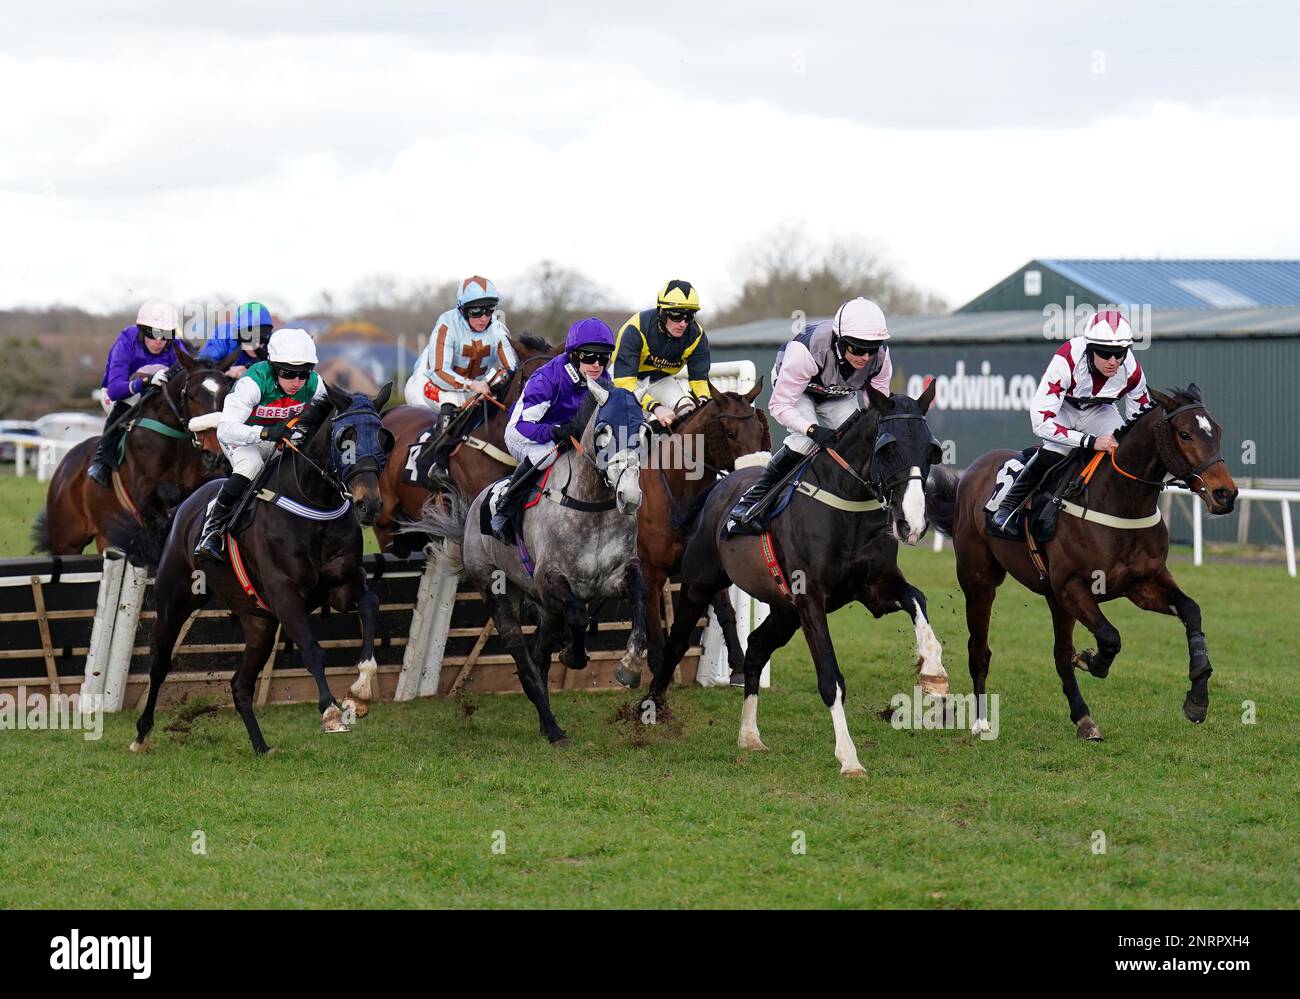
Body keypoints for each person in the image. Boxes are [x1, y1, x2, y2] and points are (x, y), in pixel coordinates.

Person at [724, 297, 892, 536]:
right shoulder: (807, 351)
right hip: (798, 392)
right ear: (840, 340)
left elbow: (878, 408)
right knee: (805, 442)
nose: (865, 358)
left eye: (871, 349)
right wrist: (813, 430)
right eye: (857, 348)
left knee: (864, 439)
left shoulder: (881, 358)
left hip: (837, 394)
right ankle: (748, 504)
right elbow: (780, 406)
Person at [988, 309, 1149, 538]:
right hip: (1064, 408)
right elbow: (1041, 421)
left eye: (1120, 352)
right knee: (1057, 449)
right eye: (1105, 353)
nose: (1113, 361)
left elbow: (1138, 422)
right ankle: (1006, 509)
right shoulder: (1067, 358)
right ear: (1090, 348)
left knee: (1123, 451)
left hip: (1100, 410)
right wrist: (1090, 442)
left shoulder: (1132, 371)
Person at [195, 328, 332, 561]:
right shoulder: (253, 382)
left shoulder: (314, 383)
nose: (297, 382)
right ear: (273, 366)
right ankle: (212, 531)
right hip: (241, 439)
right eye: (288, 373)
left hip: (279, 438)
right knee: (251, 466)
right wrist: (266, 432)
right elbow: (226, 429)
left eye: (304, 373)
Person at [489, 318, 615, 542]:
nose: (597, 364)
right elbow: (522, 426)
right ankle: (505, 507)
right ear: (575, 355)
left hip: (571, 436)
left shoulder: (604, 378)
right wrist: (555, 431)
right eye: (589, 356)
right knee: (546, 455)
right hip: (526, 435)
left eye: (603, 357)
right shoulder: (547, 378)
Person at [408, 275, 518, 471]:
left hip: (471, 386)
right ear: (463, 310)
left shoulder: (497, 329)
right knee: (451, 402)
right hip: (432, 383)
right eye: (477, 311)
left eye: (489, 311)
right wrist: (472, 385)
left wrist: (496, 383)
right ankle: (437, 464)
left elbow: (511, 367)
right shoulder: (446, 325)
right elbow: (439, 372)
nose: (484, 318)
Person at [87, 300, 183, 488]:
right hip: (118, 393)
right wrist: (145, 381)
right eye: (153, 334)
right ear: (142, 330)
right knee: (132, 399)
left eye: (165, 335)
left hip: (156, 392)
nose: (159, 341)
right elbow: (115, 390)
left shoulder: (174, 345)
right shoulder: (126, 342)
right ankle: (102, 461)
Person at [613, 280, 711, 428]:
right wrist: (655, 406)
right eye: (677, 315)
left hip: (662, 380)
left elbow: (699, 381)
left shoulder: (697, 336)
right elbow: (625, 383)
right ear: (662, 312)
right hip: (627, 379)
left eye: (689, 316)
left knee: (688, 411)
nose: (683, 324)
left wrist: (704, 401)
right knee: (633, 423)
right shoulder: (635, 328)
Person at [199, 301, 273, 377]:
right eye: (250, 340)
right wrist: (225, 372)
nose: (256, 345)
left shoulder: (273, 343)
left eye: (261, 340)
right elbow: (202, 368)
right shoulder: (223, 338)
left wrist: (249, 370)